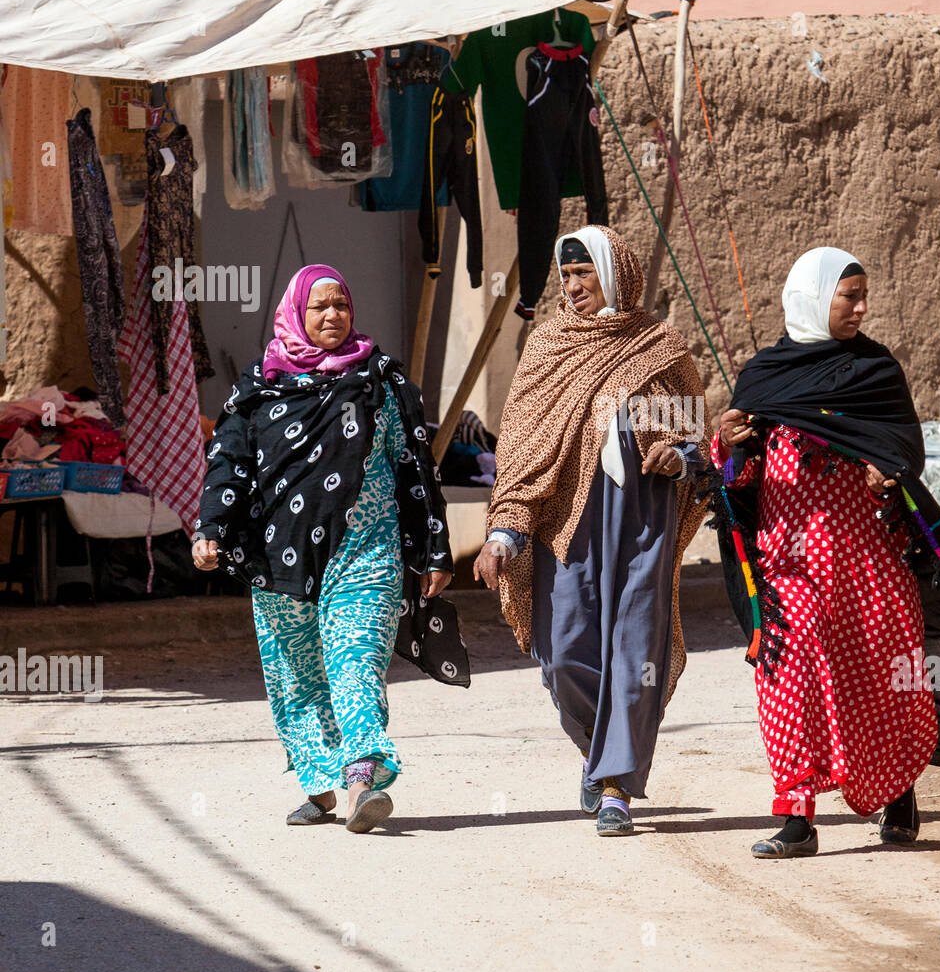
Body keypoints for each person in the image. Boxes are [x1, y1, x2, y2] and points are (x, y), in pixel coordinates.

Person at [193, 265, 463, 833]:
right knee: (296, 674)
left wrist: (434, 548)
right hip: (280, 558)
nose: (332, 316)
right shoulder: (261, 386)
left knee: (355, 662)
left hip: (366, 551)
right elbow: (230, 463)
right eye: (319, 307)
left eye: (341, 304)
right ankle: (319, 788)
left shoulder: (379, 383)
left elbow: (415, 466)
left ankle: (364, 777)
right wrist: (211, 527)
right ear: (295, 313)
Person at [474, 226, 711, 836]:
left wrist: (678, 458)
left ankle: (615, 786)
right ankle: (593, 745)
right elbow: (524, 450)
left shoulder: (658, 348)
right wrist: (504, 532)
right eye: (566, 274)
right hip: (565, 526)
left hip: (641, 525)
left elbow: (690, 439)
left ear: (615, 273)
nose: (572, 285)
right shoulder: (547, 348)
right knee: (565, 652)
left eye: (584, 272)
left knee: (637, 653)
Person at [712, 248, 936, 859]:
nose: (861, 309)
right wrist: (729, 446)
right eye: (849, 297)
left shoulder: (876, 371)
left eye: (864, 297)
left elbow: (903, 452)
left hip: (867, 559)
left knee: (883, 675)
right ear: (814, 298)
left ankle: (898, 793)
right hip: (788, 560)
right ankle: (796, 817)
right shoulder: (766, 374)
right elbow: (737, 477)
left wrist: (886, 475)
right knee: (788, 673)